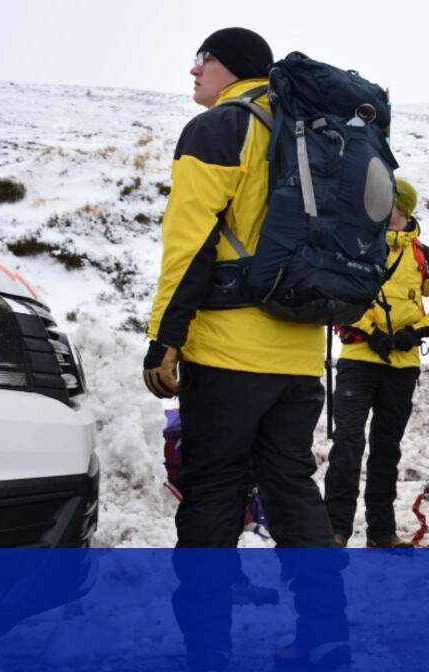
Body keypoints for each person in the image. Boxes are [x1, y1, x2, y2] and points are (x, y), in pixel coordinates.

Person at [142, 28, 347, 671]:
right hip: (299, 354)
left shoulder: (222, 127)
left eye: (200, 60)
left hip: (229, 353)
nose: (193, 71)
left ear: (226, 65)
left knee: (212, 495)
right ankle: (325, 634)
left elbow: (189, 243)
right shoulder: (309, 131)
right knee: (292, 489)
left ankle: (207, 647)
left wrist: (164, 339)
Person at [324, 178, 429, 549]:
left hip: (402, 366)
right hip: (357, 359)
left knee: (387, 448)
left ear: (401, 208)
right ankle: (334, 529)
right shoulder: (355, 247)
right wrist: (370, 332)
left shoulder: (424, 257)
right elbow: (336, 292)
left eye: (384, 199)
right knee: (347, 443)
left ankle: (381, 532)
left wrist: (411, 334)